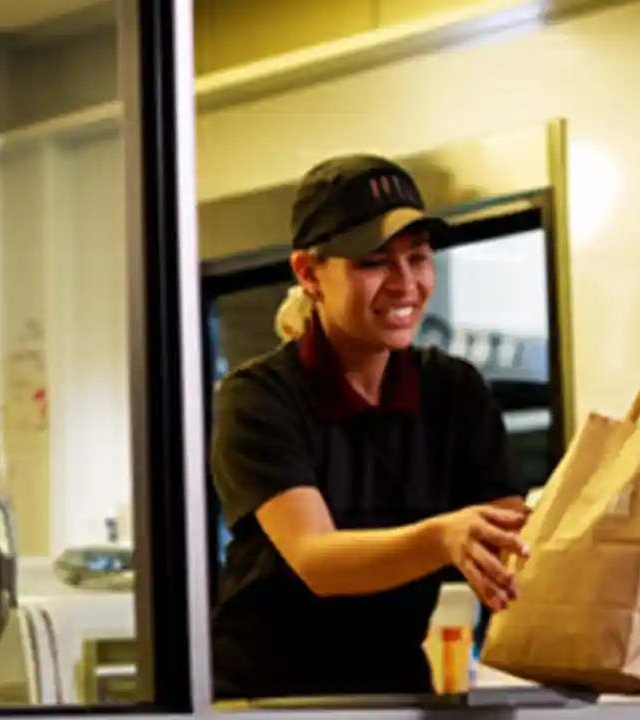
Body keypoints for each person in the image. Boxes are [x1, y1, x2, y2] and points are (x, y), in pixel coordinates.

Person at [209, 154, 531, 700]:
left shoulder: (454, 391)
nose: (405, 285)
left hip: (397, 691)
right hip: (269, 700)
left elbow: (510, 540)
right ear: (310, 274)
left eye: (419, 258)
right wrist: (443, 537)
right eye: (374, 263)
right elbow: (318, 561)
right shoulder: (260, 398)